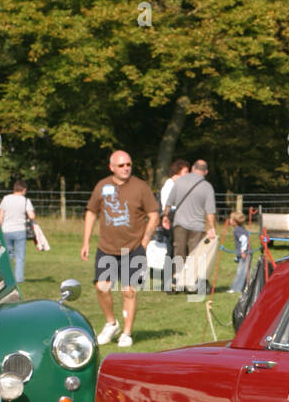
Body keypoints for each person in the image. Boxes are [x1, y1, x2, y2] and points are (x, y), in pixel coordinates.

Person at [82, 149, 158, 348]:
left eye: (128, 164)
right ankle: (111, 323)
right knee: (101, 287)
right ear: (111, 167)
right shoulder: (102, 186)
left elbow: (154, 215)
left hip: (133, 249)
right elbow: (91, 213)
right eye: (121, 165)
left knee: (129, 291)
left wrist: (144, 242)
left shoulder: (140, 187)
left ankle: (126, 333)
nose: (126, 168)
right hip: (106, 248)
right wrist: (85, 242)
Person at [169, 158, 217, 292]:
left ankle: (177, 282)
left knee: (179, 252)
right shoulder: (207, 187)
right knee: (194, 254)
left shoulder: (179, 182)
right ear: (206, 171)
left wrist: (165, 216)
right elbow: (210, 211)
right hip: (197, 225)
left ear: (192, 168)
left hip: (179, 223)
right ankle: (190, 282)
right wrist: (212, 227)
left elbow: (170, 201)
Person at [0, 179, 37, 286]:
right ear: (24, 189)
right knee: (20, 256)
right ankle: (19, 279)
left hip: (6, 230)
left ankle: (5, 275)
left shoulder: (6, 199)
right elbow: (32, 216)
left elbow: (1, 216)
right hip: (20, 230)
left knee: (8, 254)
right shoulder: (25, 200)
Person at [229, 212, 250, 293]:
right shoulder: (241, 228)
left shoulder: (237, 230)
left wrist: (243, 251)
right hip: (245, 253)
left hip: (245, 253)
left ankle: (236, 289)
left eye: (231, 219)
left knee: (241, 271)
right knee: (243, 270)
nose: (229, 220)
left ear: (234, 222)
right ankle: (242, 287)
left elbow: (244, 239)